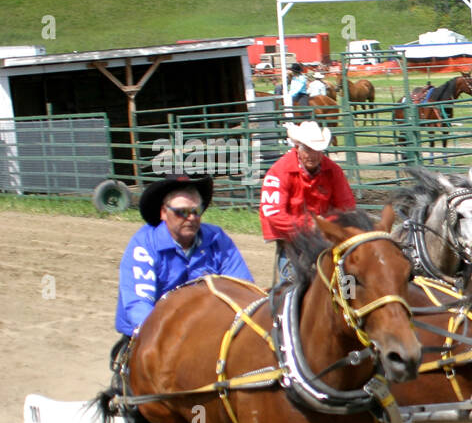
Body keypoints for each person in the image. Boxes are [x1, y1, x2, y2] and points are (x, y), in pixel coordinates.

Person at [113, 174, 254, 362]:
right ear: (163, 212)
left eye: (197, 210)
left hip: (207, 335)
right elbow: (139, 306)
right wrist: (172, 340)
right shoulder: (144, 245)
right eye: (182, 212)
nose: (191, 218)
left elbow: (243, 291)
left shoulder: (217, 239)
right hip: (153, 335)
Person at [260, 120, 356, 282]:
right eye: (308, 149)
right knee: (291, 289)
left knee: (350, 283)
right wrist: (311, 226)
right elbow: (274, 214)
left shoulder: (333, 171)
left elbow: (347, 207)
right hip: (293, 243)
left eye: (317, 150)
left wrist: (327, 227)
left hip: (327, 240)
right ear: (297, 147)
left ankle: (350, 306)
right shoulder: (280, 171)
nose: (313, 155)